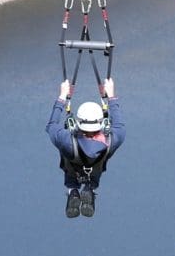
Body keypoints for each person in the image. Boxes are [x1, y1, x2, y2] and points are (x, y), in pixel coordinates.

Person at [46, 78, 125, 218]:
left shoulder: (66, 140)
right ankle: (90, 187)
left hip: (72, 159)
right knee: (95, 171)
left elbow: (51, 125)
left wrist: (62, 97)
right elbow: (119, 125)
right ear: (101, 123)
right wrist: (110, 96)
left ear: (78, 123)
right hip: (96, 166)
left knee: (69, 164)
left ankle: (73, 190)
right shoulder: (111, 141)